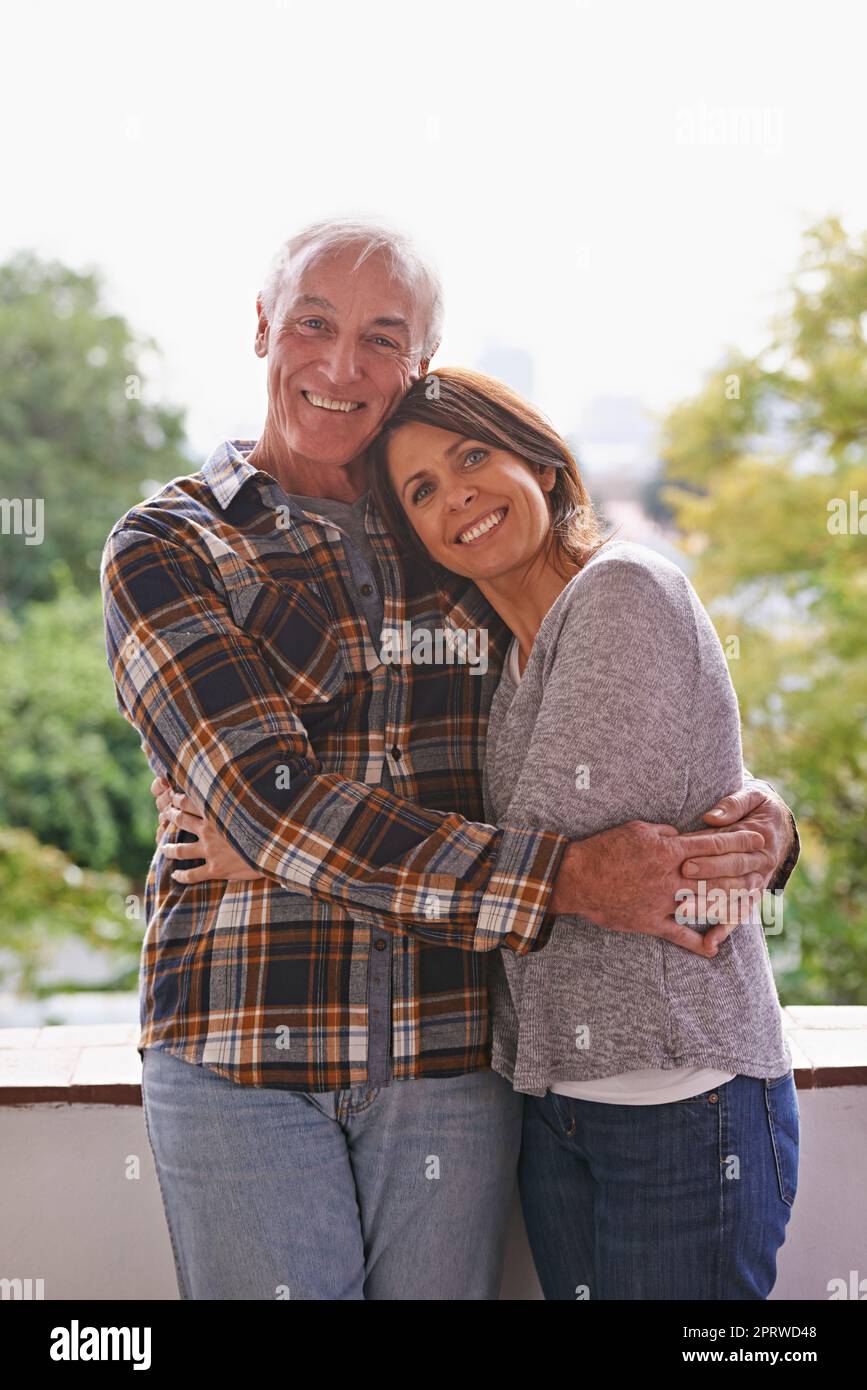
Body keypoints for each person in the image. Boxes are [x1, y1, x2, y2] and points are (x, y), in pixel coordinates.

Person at [103, 219, 798, 1300]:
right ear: (261, 329)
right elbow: (269, 805)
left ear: (421, 362)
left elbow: (609, 725)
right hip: (242, 1039)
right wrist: (557, 876)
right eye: (313, 325)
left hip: (448, 1049)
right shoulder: (167, 545)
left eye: (383, 338)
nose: (342, 367)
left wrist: (762, 817)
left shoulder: (448, 537)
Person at [364, 366, 800, 1299]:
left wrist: (302, 848)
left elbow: (552, 848)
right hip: (560, 1113)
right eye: (423, 491)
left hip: (685, 1105)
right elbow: (532, 868)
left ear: (541, 462)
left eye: (472, 455)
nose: (459, 495)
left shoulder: (623, 592)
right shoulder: (504, 665)